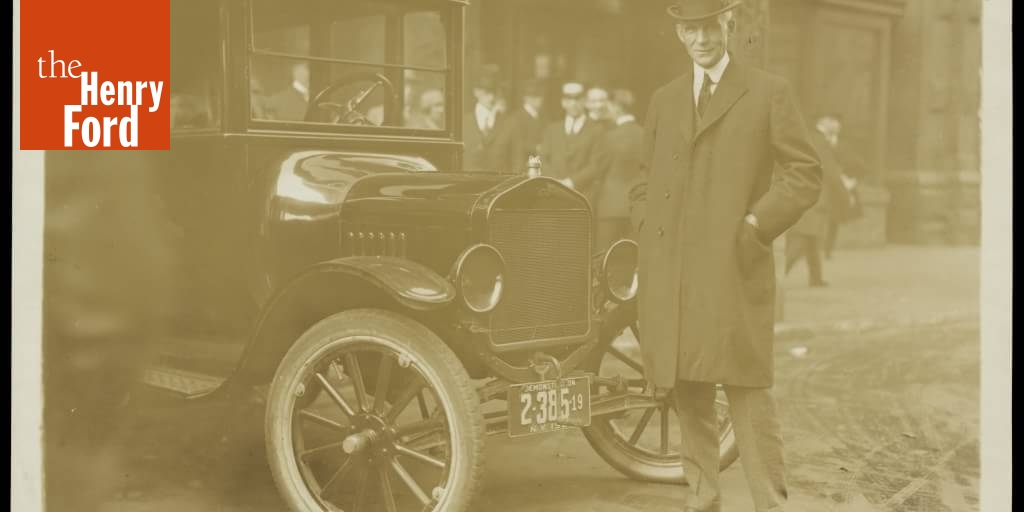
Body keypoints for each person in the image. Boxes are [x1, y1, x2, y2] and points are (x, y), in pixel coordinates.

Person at [628, 1, 823, 510]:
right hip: (673, 273)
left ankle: (770, 504)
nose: (701, 39)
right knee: (688, 390)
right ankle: (702, 501)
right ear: (679, 35)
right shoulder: (666, 100)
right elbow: (643, 178)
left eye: (709, 27)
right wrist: (647, 224)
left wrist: (756, 225)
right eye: (690, 30)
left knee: (748, 392)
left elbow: (804, 174)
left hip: (733, 268)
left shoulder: (767, 92)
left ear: (728, 26)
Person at [784, 115, 849, 286]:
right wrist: (845, 194)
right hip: (816, 197)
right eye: (834, 122)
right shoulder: (821, 141)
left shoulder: (814, 138)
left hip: (808, 195)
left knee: (811, 239)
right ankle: (777, 276)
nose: (837, 126)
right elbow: (831, 171)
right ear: (825, 121)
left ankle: (815, 277)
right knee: (802, 238)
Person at [593, 88, 644, 250]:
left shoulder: (608, 137)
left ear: (616, 108)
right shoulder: (645, 133)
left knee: (603, 260)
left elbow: (597, 169)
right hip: (636, 208)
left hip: (609, 209)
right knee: (631, 260)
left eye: (607, 106)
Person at [539, 82, 606, 202]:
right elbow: (543, 158)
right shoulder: (552, 129)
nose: (573, 104)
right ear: (563, 102)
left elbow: (596, 165)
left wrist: (571, 182)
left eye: (578, 99)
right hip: (553, 195)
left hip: (583, 196)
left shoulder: (596, 130)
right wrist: (555, 182)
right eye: (569, 99)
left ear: (585, 102)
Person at [490, 78, 546, 174]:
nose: (539, 100)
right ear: (526, 98)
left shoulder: (543, 118)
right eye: (534, 96)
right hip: (519, 173)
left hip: (539, 172)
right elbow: (501, 150)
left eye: (539, 96)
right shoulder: (515, 119)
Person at [463, 73, 502, 171]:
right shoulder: (464, 122)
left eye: (494, 93)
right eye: (487, 93)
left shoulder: (506, 122)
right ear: (476, 92)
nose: (491, 98)